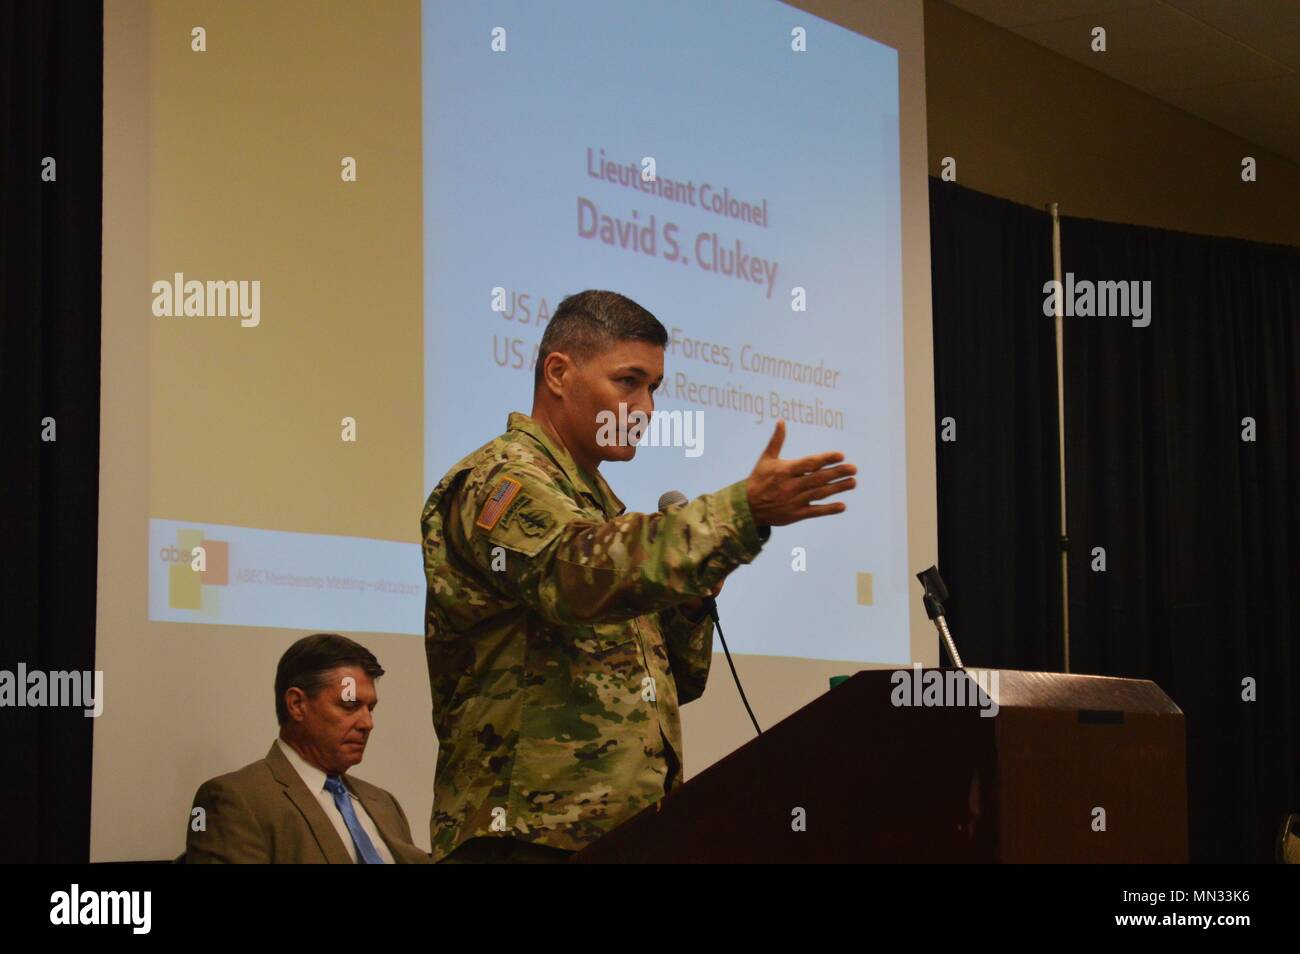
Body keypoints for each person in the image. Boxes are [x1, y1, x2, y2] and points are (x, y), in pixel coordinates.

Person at [421, 290, 855, 863]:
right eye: (628, 381)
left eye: (654, 388)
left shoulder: (604, 512)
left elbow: (678, 682)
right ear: (558, 372)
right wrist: (739, 513)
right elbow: (572, 577)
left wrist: (692, 602)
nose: (647, 408)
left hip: (627, 837)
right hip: (522, 840)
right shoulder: (499, 481)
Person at [184, 633, 430, 863]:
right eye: (350, 706)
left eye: (370, 708)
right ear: (297, 704)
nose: (367, 723)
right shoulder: (235, 800)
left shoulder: (384, 803)